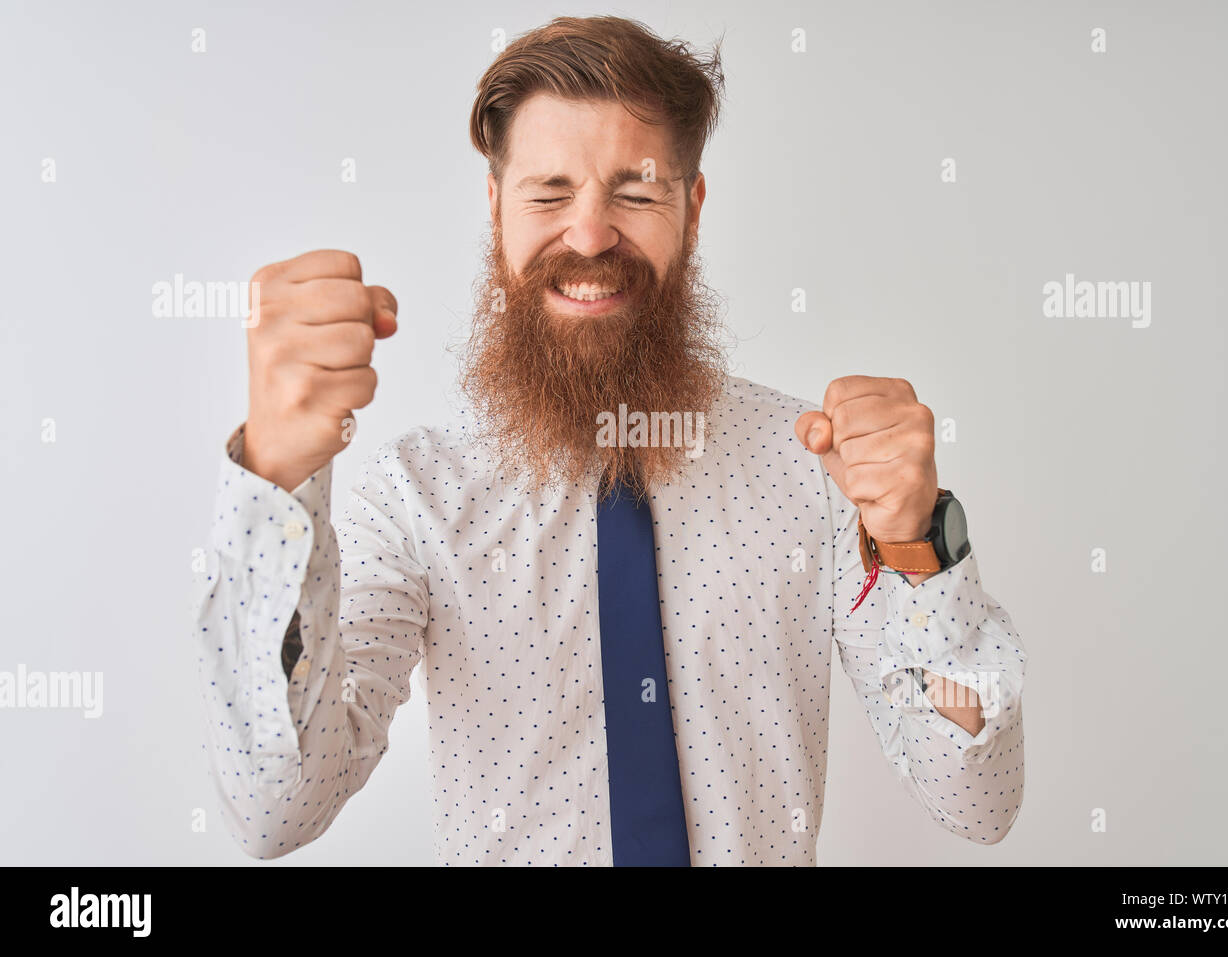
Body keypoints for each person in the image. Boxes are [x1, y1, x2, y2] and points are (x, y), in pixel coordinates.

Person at [194, 14, 1025, 866]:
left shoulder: (814, 467)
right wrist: (277, 483)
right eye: (549, 195)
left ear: (690, 210)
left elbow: (976, 796)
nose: (589, 235)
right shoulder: (415, 496)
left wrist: (917, 546)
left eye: (634, 193)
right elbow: (273, 811)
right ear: (495, 209)